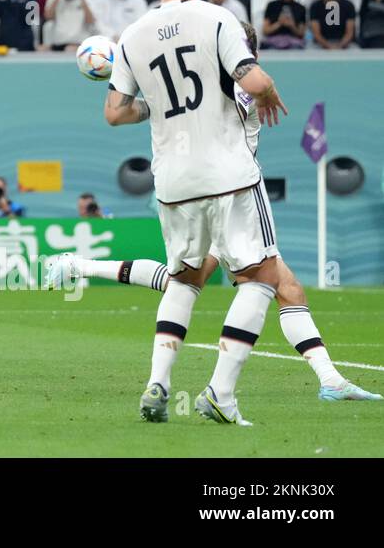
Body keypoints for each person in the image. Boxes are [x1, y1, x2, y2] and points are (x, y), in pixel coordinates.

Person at [49, 21, 378, 402]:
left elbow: (140, 105)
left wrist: (131, 63)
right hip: (232, 196)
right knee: (265, 283)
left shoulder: (201, 86)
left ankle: (81, 269)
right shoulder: (239, 87)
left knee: (191, 280)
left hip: (188, 191)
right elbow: (246, 89)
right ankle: (229, 392)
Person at [104, 0, 290, 426]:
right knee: (262, 277)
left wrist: (155, 105)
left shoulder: (133, 34)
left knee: (185, 279)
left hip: (173, 181)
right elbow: (251, 79)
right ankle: (220, 394)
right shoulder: (218, 19)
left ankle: (158, 382)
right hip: (227, 173)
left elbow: (115, 112)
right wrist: (268, 90)